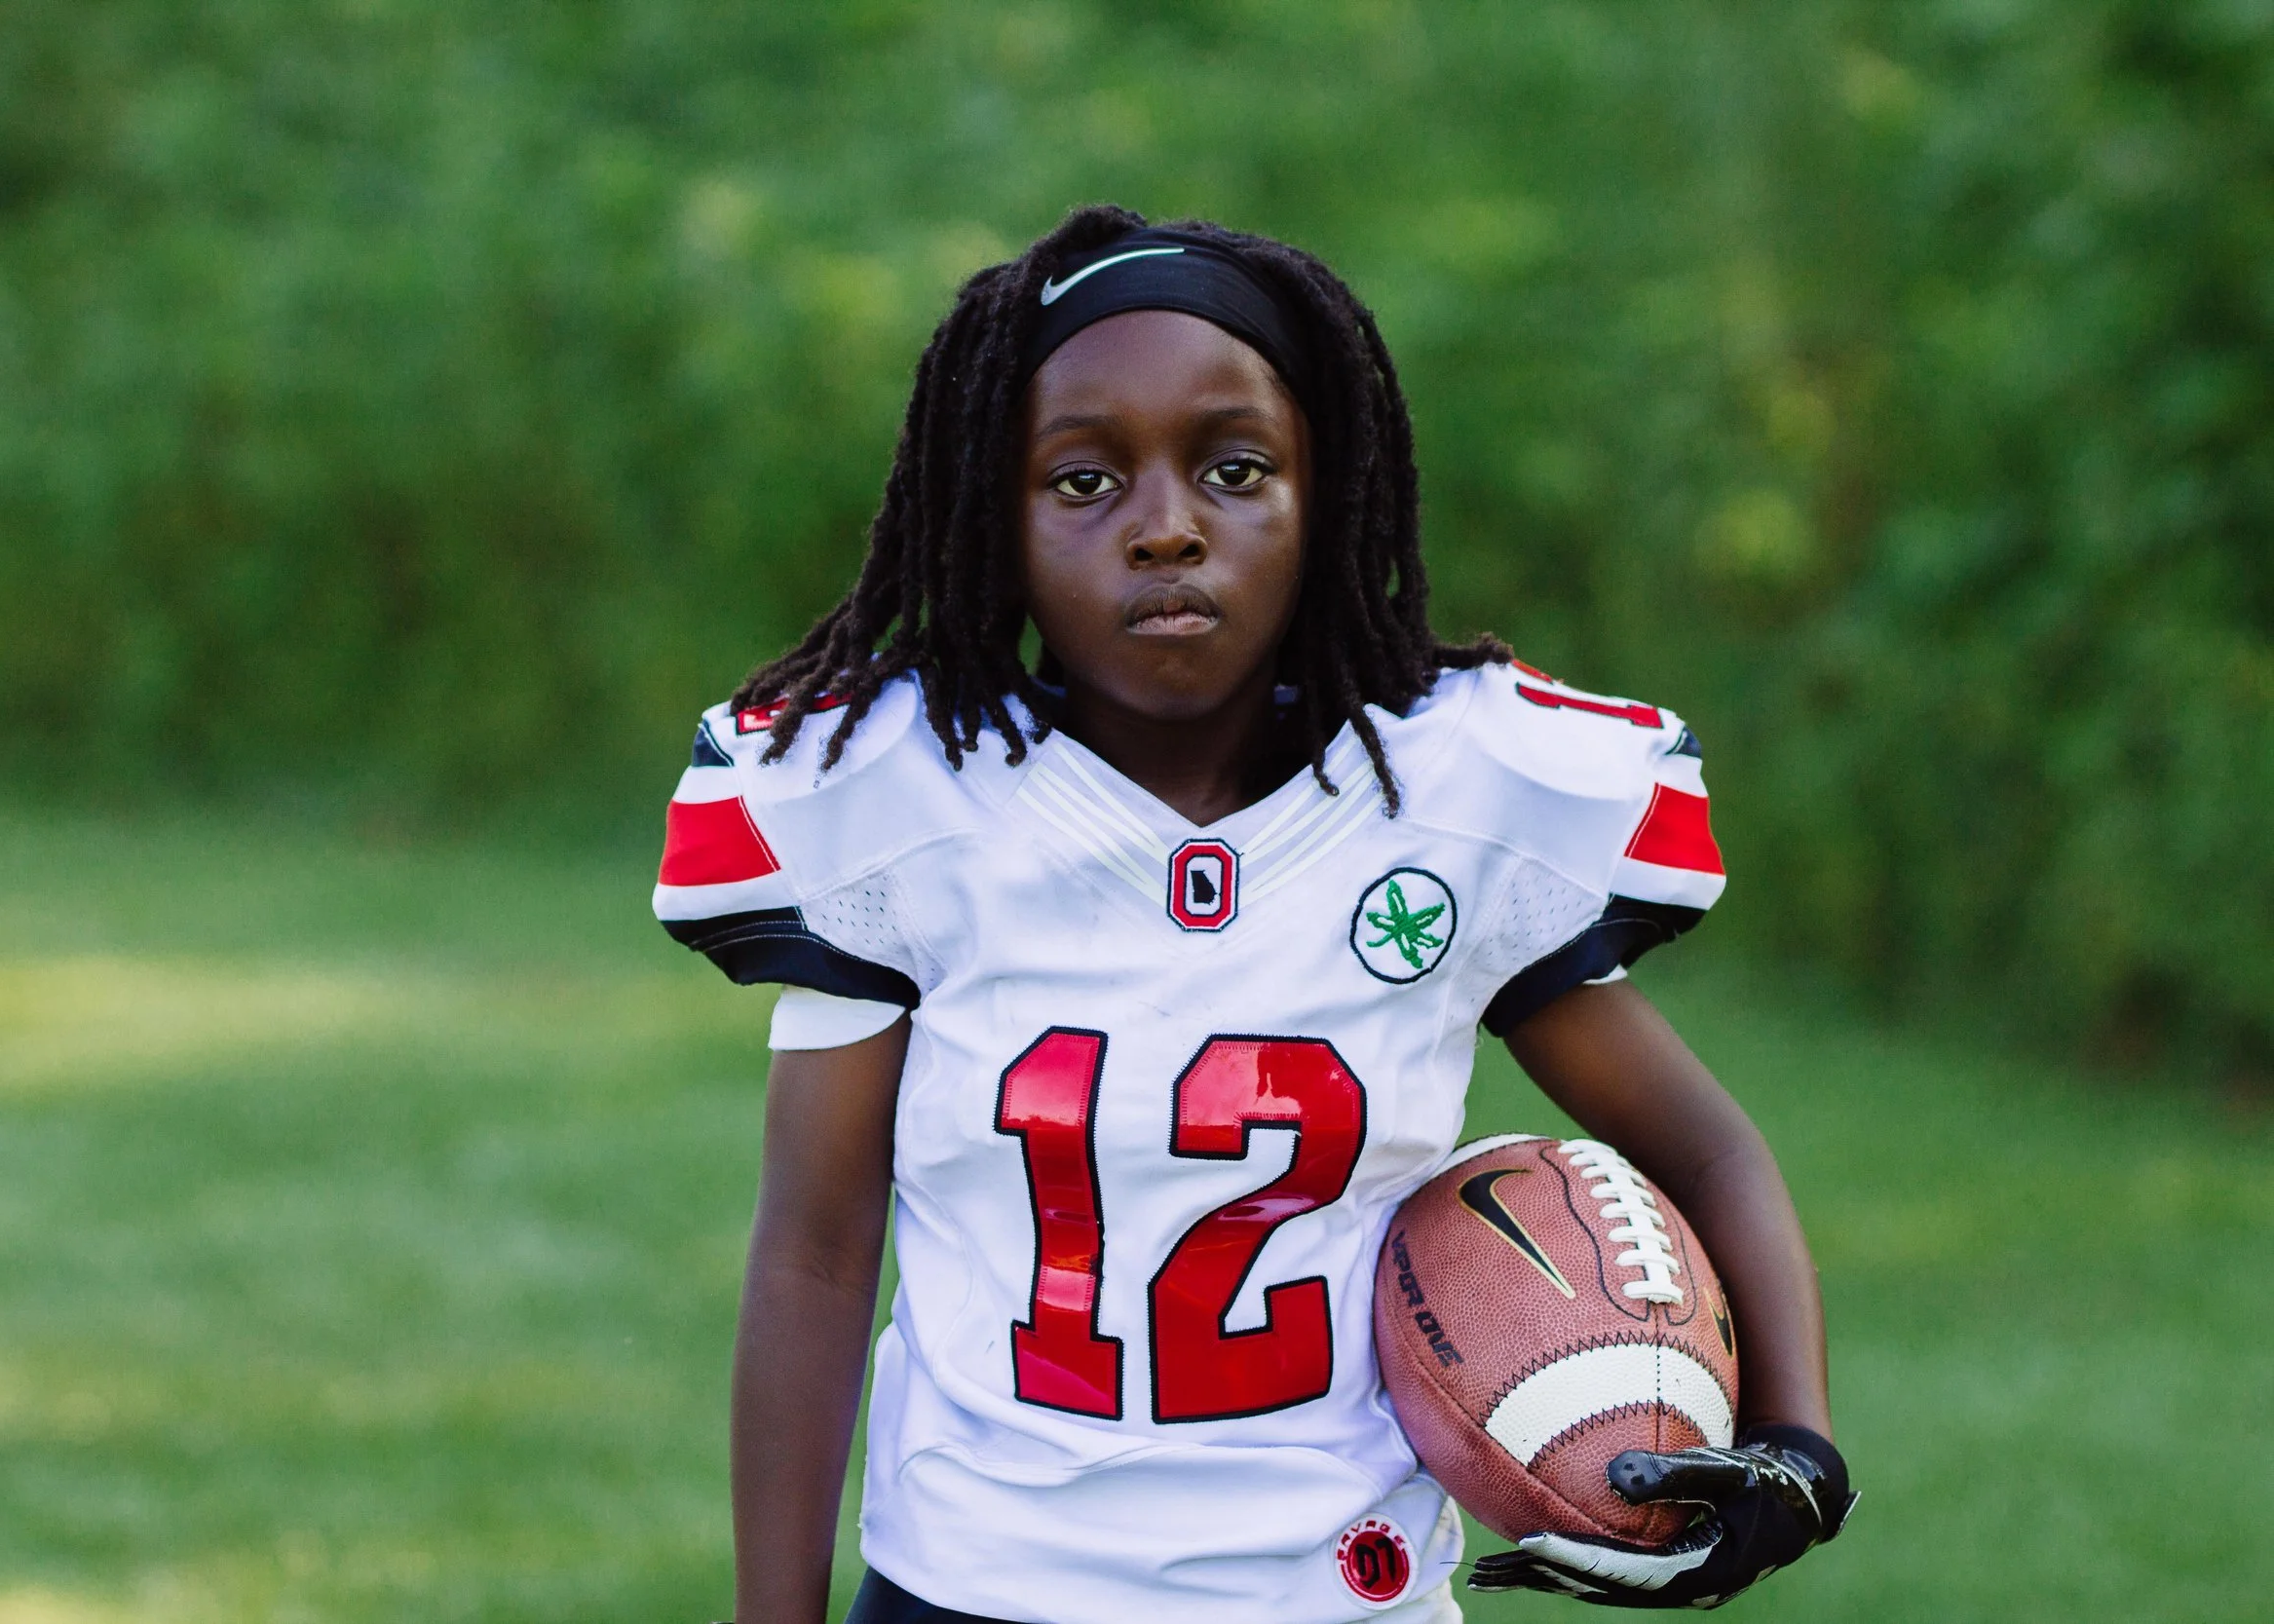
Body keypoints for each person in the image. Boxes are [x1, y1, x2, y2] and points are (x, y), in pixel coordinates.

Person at [654, 206, 1855, 1624]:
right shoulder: (904, 806)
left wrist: (1794, 1445)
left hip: (1338, 1595)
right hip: (977, 1585)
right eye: (1085, 477)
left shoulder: (1452, 805)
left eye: (1233, 469)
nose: (1166, 528)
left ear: (1324, 494)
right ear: (996, 515)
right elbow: (814, 1243)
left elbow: (1706, 1146)